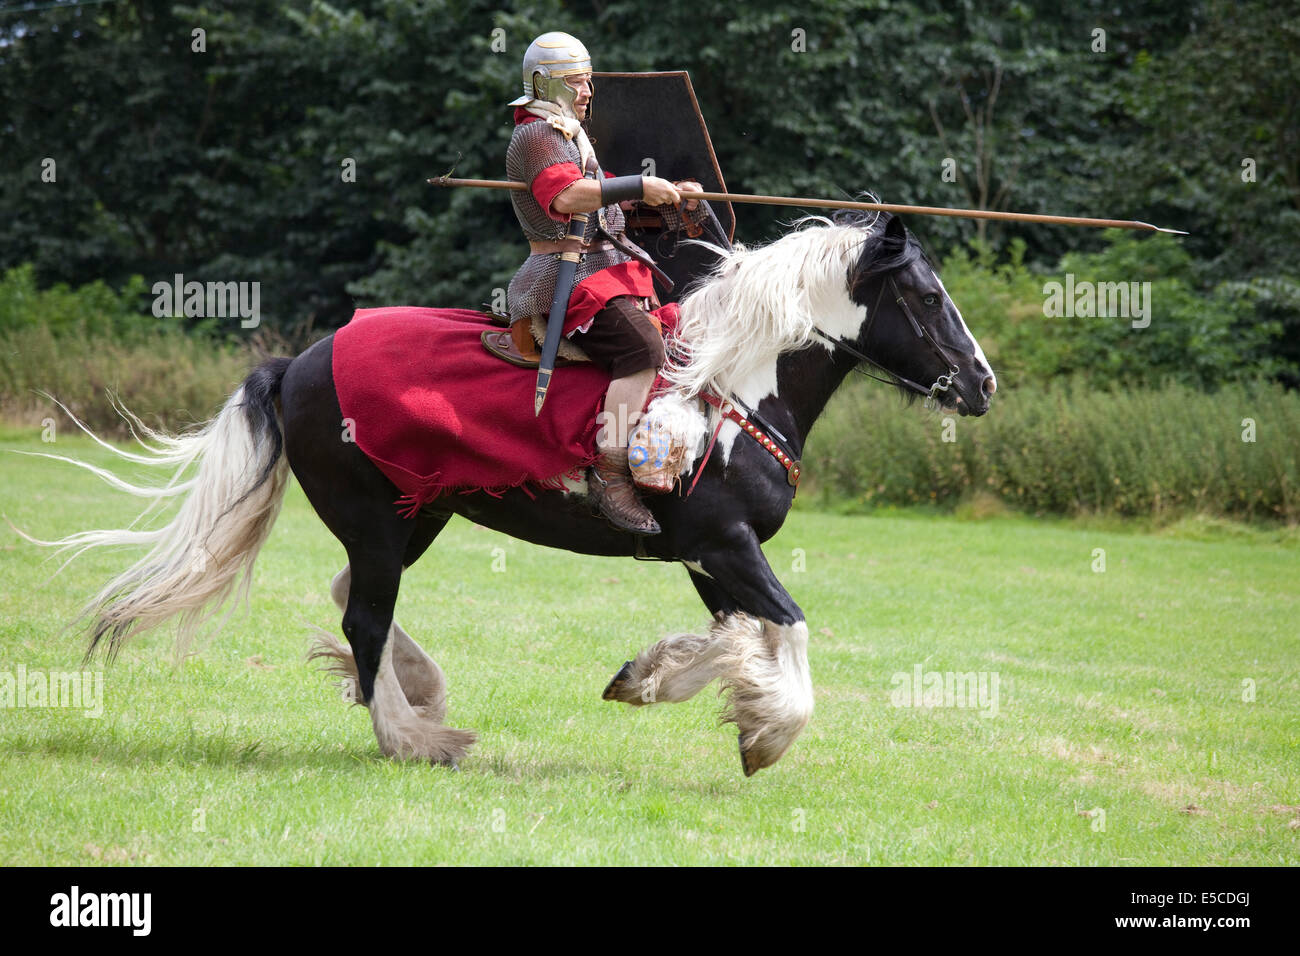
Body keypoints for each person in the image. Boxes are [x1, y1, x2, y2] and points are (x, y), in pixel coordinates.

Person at [505, 31, 701, 536]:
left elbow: (604, 206)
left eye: (589, 81)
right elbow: (568, 198)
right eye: (577, 81)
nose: (588, 91)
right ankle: (609, 471)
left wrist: (666, 198)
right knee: (642, 349)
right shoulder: (535, 135)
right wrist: (639, 183)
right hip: (562, 279)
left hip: (604, 272)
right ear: (544, 83)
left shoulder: (569, 133)